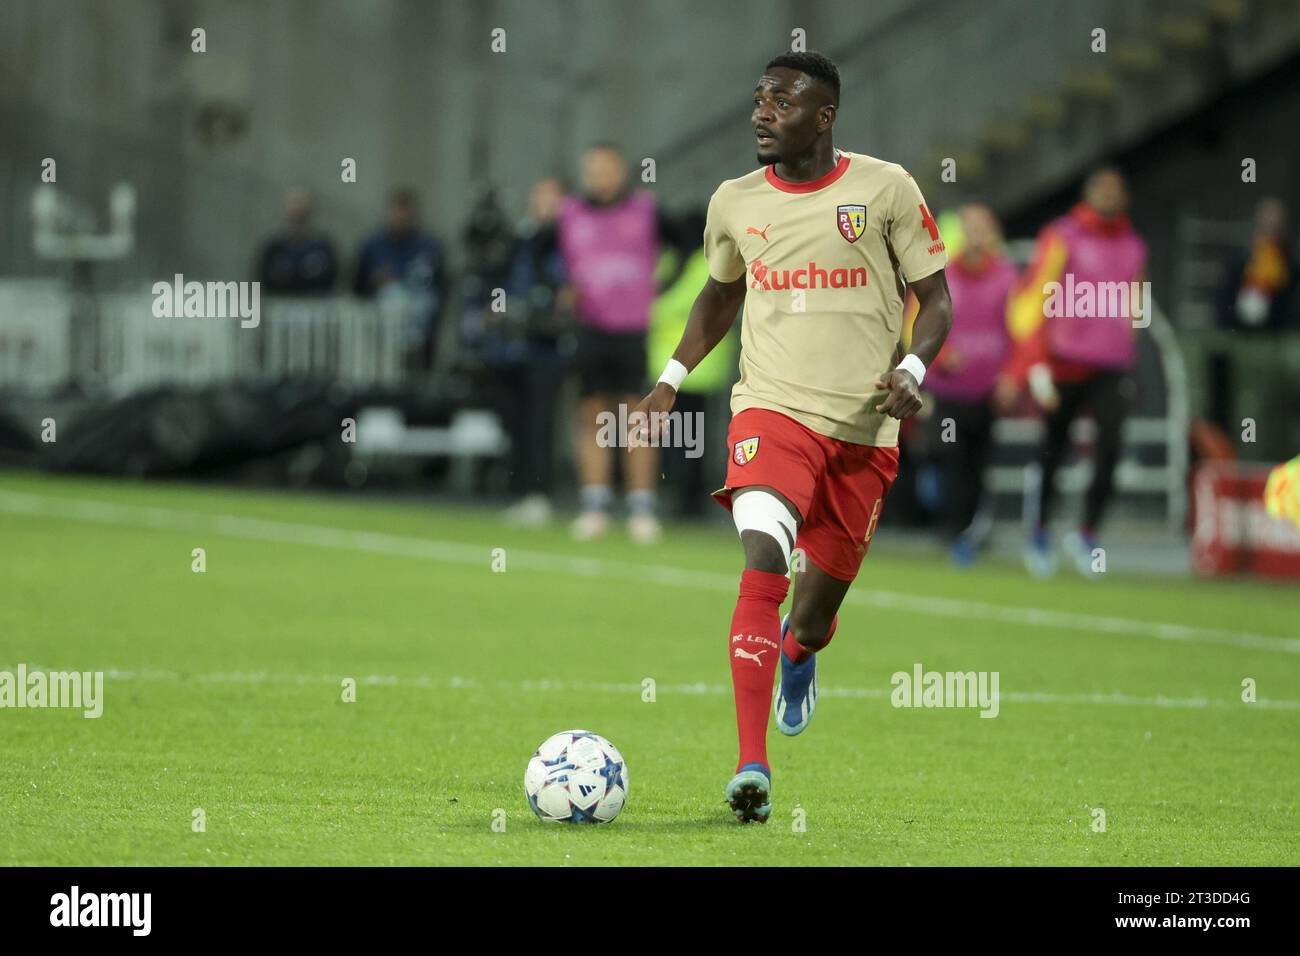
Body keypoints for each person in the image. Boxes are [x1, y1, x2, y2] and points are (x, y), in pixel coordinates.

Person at [631, 51, 951, 822]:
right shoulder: (735, 202)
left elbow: (936, 299)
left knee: (809, 617)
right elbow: (719, 294)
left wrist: (912, 366)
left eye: (781, 101)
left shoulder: (886, 189)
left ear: (825, 114)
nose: (762, 112)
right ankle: (751, 765)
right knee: (762, 554)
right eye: (758, 98)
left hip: (866, 430)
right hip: (771, 410)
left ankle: (800, 654)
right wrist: (671, 377)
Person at [998, 167, 1148, 577]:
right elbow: (1035, 294)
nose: (1111, 198)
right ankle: (1040, 533)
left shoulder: (1134, 245)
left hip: (1111, 364)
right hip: (1063, 360)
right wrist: (1026, 363)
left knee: (1112, 446)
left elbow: (1136, 296)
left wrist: (1128, 337)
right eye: (1104, 190)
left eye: (1118, 191)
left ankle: (1086, 535)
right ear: (1089, 194)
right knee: (1054, 448)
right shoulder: (1062, 236)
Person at [558, 145, 663, 543]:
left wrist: (662, 290)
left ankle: (641, 508)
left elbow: (693, 246)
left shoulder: (647, 211)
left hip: (633, 330)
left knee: (635, 418)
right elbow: (546, 260)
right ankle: (596, 505)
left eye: (606, 168)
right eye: (592, 169)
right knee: (592, 417)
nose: (599, 176)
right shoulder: (569, 214)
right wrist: (560, 291)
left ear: (621, 171)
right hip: (589, 329)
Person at [908, 203, 1017, 564]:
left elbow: (1020, 332)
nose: (976, 236)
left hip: (986, 393)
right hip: (945, 392)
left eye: (983, 228)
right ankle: (950, 527)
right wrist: (941, 356)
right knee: (949, 457)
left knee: (976, 467)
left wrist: (1011, 376)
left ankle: (965, 533)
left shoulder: (1006, 278)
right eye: (969, 227)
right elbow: (913, 324)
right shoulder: (941, 276)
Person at [353, 189, 448, 369]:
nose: (402, 217)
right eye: (397, 211)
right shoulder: (372, 246)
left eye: (407, 212)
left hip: (421, 331)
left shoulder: (430, 247)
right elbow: (357, 288)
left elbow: (441, 288)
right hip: (381, 332)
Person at [1217, 196, 1294, 331]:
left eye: (1275, 222)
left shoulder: (1288, 261)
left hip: (1274, 330)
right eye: (1266, 219)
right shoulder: (1240, 257)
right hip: (1238, 327)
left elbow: (1289, 299)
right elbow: (1225, 293)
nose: (1270, 224)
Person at [255, 189, 338, 295]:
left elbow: (332, 280)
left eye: (301, 215)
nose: (297, 218)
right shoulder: (274, 248)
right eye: (294, 214)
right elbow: (263, 280)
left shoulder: (323, 249)